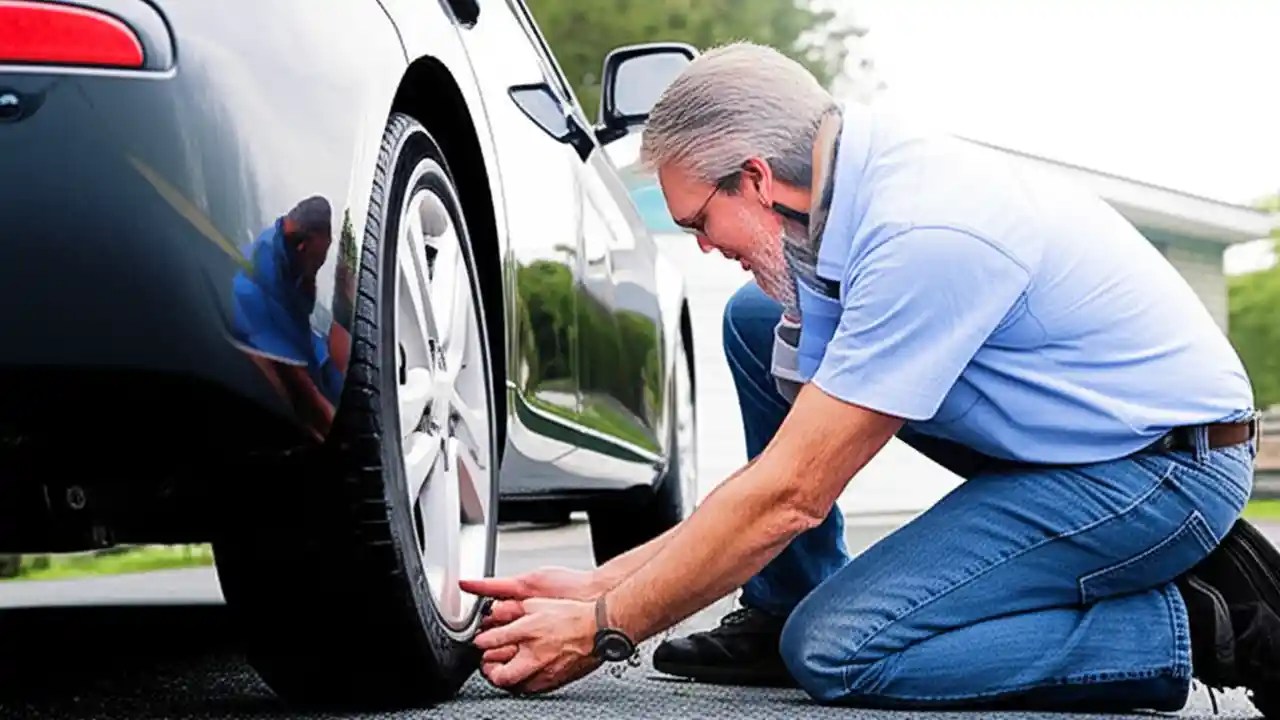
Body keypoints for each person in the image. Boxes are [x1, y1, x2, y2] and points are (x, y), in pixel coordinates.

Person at [460, 42, 1280, 716]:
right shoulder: (832, 199)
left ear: (752, 177)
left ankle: (1209, 623)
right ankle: (781, 600)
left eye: (698, 222)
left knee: (841, 648)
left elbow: (792, 492)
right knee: (753, 323)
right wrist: (606, 577)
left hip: (1163, 469)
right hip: (1080, 441)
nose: (704, 246)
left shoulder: (922, 233)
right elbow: (781, 473)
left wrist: (604, 625)